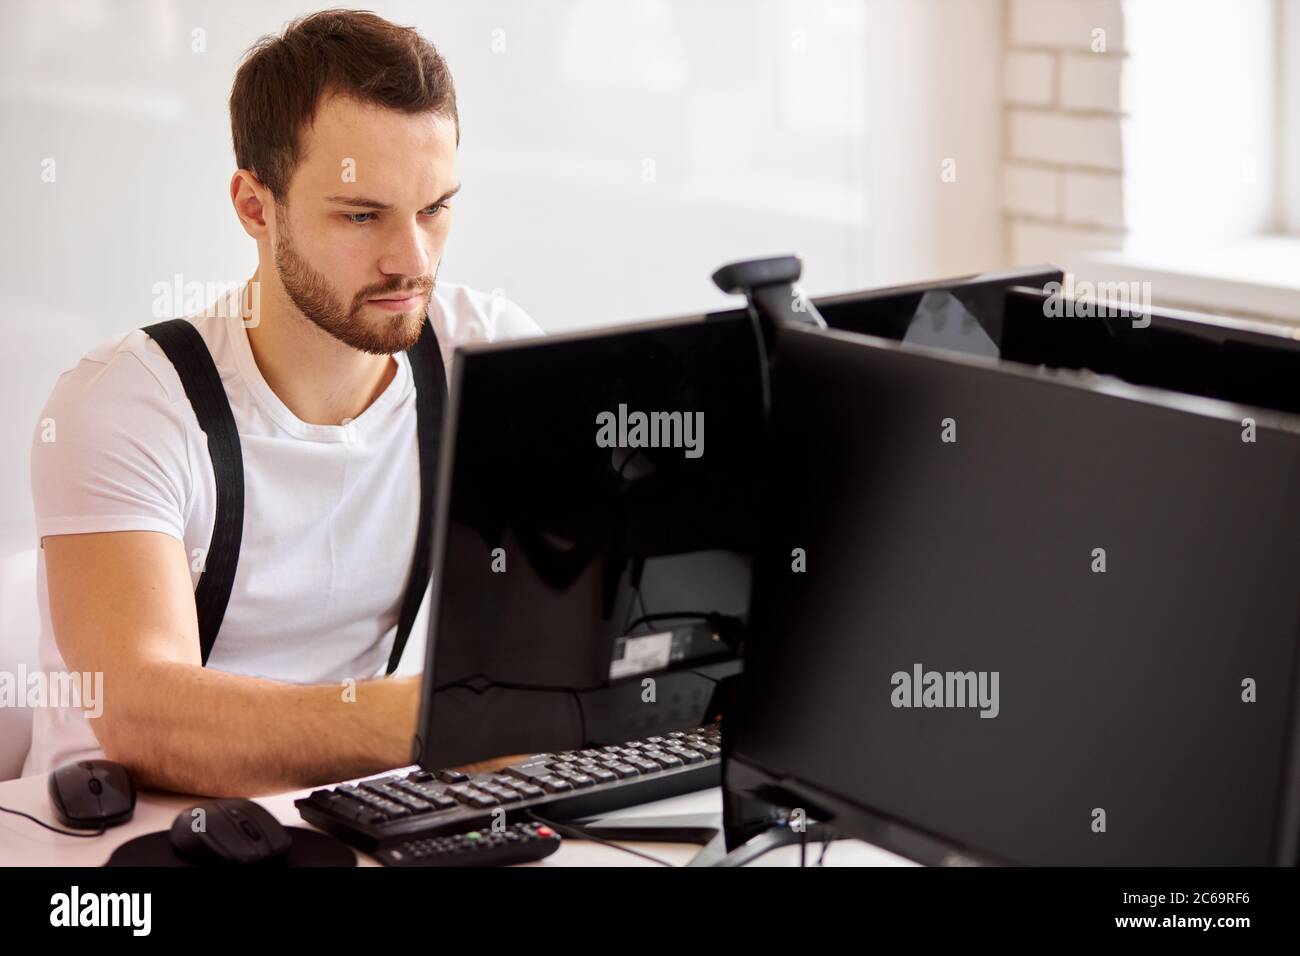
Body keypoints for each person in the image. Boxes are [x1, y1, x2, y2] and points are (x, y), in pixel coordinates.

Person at [24, 10, 541, 794]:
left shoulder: (484, 351)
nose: (413, 260)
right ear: (255, 207)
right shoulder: (125, 404)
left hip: (348, 811)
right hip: (119, 838)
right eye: (362, 215)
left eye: (434, 208)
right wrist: (448, 718)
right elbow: (142, 716)